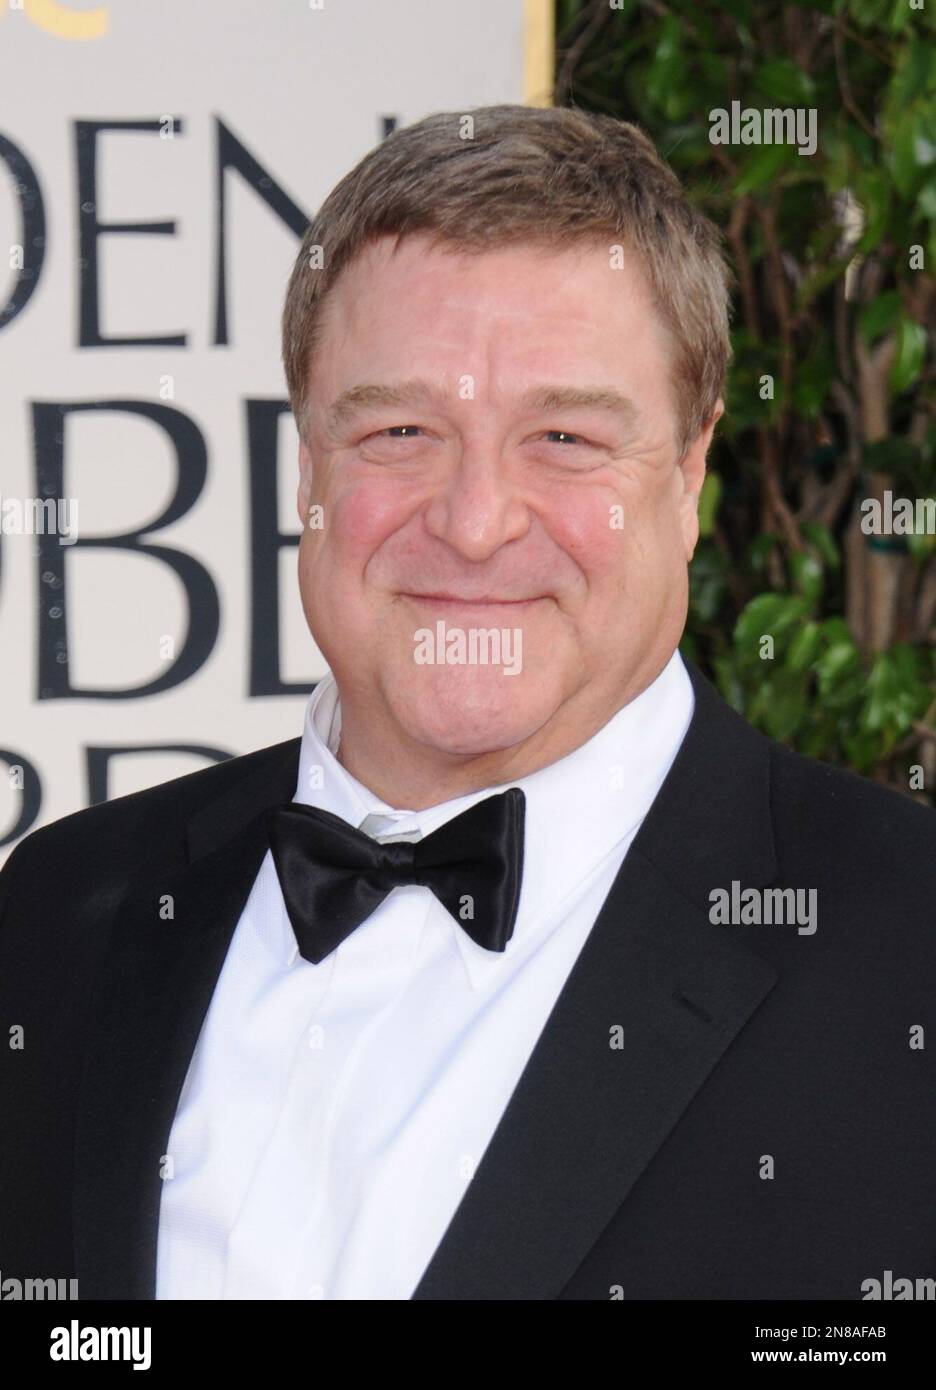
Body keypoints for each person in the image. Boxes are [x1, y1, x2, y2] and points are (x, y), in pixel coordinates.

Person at [0, 105, 933, 1302]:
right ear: (306, 462)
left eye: (564, 435)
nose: (475, 519)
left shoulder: (909, 948)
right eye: (400, 429)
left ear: (693, 470)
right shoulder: (60, 909)